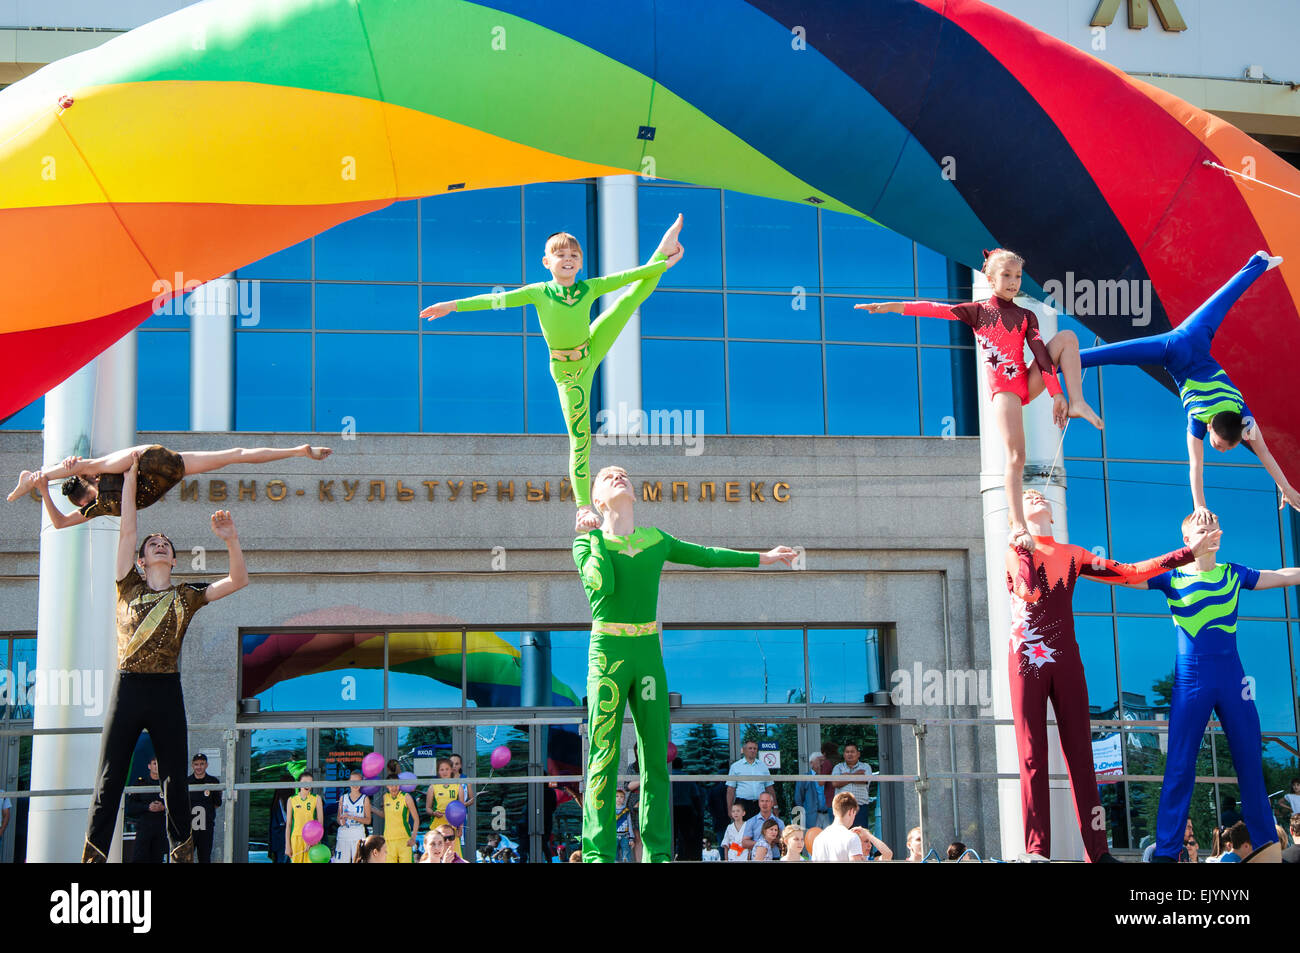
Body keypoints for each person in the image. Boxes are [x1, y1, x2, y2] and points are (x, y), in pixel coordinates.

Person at [572, 465, 796, 862]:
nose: (621, 476)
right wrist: (591, 534)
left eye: (625, 473)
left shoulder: (656, 539)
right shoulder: (586, 543)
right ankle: (597, 855)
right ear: (597, 498)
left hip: (647, 651)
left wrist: (762, 558)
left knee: (656, 758)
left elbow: (706, 555)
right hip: (607, 650)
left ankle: (658, 853)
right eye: (609, 476)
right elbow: (603, 585)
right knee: (603, 755)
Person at [422, 217, 686, 531]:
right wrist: (452, 305)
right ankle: (583, 508)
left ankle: (663, 245)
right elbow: (497, 299)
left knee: (629, 299)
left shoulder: (589, 287)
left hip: (591, 345)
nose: (569, 259)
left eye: (574, 255)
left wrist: (661, 262)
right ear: (547, 262)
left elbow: (627, 277)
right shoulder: (539, 292)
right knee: (580, 436)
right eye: (561, 255)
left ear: (580, 263)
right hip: (568, 372)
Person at [1007, 489, 1211, 862]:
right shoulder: (1015, 551)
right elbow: (1029, 591)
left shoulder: (1073, 555)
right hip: (1026, 661)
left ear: (1053, 515)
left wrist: (1188, 553)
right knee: (1032, 755)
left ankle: (1099, 853)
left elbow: (1130, 573)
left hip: (1067, 659)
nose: (1034, 494)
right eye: (1025, 495)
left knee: (1082, 756)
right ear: (1015, 514)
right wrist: (1022, 549)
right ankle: (1037, 852)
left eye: (1039, 494)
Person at [856, 248, 1102, 548]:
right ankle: (1018, 524)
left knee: (1067, 338)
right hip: (1005, 390)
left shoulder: (1027, 316)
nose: (1013, 282)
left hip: (1025, 380)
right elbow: (933, 309)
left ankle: (1076, 401)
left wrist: (1057, 394)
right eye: (1006, 275)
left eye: (1017, 276)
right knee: (1017, 456)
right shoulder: (979, 311)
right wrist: (891, 306)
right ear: (990, 278)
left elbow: (1040, 354)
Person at [82, 452, 249, 863]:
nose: (159, 545)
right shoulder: (127, 585)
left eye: (166, 544)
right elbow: (128, 529)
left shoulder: (186, 595)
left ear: (173, 559)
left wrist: (229, 538)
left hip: (165, 689)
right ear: (141, 560)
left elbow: (238, 580)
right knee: (110, 776)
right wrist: (131, 476)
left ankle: (181, 849)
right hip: (128, 687)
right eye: (152, 544)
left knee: (175, 776)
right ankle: (94, 852)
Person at [1123, 511, 1298, 862]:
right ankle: (1167, 851)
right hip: (1191, 680)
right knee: (1179, 764)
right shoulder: (1171, 577)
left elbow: (1280, 575)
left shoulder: (1233, 573)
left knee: (1249, 757)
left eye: (1214, 528)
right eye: (1202, 529)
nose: (1211, 532)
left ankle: (1265, 840)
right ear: (1186, 540)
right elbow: (1128, 576)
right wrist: (1080, 565)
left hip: (1232, 676)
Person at [1078, 252, 1296, 520]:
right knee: (1113, 355)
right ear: (1210, 428)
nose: (1223, 449)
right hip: (1173, 351)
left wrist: (1286, 486)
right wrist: (1199, 505)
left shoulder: (1243, 414)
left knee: (1223, 299)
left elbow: (1263, 453)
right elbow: (1196, 466)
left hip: (1194, 338)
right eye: (1221, 444)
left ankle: (1258, 262)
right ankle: (1062, 361)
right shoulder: (1198, 420)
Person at [17, 442, 332, 525]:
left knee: (90, 463)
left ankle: (31, 479)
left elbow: (87, 469)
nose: (93, 491)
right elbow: (59, 523)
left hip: (146, 464)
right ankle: (298, 450)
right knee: (234, 456)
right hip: (168, 466)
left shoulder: (98, 483)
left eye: (90, 485)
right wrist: (44, 490)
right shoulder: (97, 506)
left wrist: (43, 483)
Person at [126, 757, 166, 863]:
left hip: (161, 828)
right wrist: (147, 807)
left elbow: (177, 805)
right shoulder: (140, 783)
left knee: (158, 859)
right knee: (139, 858)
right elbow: (130, 807)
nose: (157, 766)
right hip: (144, 828)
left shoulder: (167, 785)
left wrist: (163, 807)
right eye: (154, 763)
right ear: (149, 766)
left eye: (159, 763)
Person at [423, 757, 464, 859]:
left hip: (452, 827)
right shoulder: (433, 787)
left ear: (451, 770)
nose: (445, 772)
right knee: (436, 855)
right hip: (437, 826)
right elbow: (428, 808)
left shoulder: (458, 786)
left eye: (447, 769)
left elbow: (462, 810)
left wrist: (461, 827)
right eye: (442, 769)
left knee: (454, 855)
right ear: (438, 772)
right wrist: (433, 813)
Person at [187, 752, 222, 863]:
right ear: (192, 765)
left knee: (205, 857)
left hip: (206, 826)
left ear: (206, 765)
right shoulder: (186, 782)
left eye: (202, 764)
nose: (199, 767)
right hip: (189, 827)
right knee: (187, 857)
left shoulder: (213, 782)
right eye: (196, 764)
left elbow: (217, 803)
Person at [810, 792, 865, 863]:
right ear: (851, 812)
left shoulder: (818, 839)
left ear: (834, 811)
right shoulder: (852, 837)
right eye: (855, 814)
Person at [726, 739, 775, 819]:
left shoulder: (763, 766)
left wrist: (775, 806)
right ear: (744, 750)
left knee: (761, 829)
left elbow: (769, 788)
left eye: (755, 748)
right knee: (743, 830)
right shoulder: (735, 767)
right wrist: (729, 809)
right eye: (750, 748)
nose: (752, 750)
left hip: (760, 804)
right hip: (742, 804)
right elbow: (730, 790)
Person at [830, 743, 875, 829]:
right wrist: (855, 775)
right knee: (842, 835)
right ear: (844, 754)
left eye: (852, 752)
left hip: (860, 807)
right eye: (847, 752)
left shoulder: (865, 766)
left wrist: (845, 777)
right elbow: (835, 783)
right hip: (842, 808)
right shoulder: (838, 767)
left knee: (861, 836)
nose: (849, 754)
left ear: (858, 754)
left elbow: (864, 780)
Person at [286, 771, 323, 864]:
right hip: (296, 838)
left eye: (310, 783)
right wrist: (287, 845)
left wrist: (314, 841)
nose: (307, 785)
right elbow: (289, 825)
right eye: (304, 782)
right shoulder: (291, 800)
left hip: (312, 838)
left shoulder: (316, 798)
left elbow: (320, 823)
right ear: (299, 783)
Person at [334, 770, 371, 863]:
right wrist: (341, 821)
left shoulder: (365, 799)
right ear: (349, 782)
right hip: (344, 835)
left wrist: (353, 817)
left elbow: (368, 820)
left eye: (358, 781)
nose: (355, 784)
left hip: (357, 834)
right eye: (353, 781)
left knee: (359, 861)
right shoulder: (343, 798)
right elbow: (338, 818)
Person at [381, 775, 419, 864]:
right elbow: (386, 816)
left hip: (404, 840)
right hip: (389, 840)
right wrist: (371, 808)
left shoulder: (406, 797)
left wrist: (413, 838)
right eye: (391, 785)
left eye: (396, 785)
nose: (394, 788)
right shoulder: (385, 797)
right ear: (387, 785)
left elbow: (416, 819)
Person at [740, 791, 785, 855]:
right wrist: (763, 843)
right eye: (762, 801)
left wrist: (775, 840)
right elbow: (744, 843)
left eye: (767, 801)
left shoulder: (779, 822)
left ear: (772, 803)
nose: (764, 804)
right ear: (758, 803)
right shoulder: (751, 821)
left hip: (775, 857)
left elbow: (785, 842)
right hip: (757, 857)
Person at [794, 753, 829, 830]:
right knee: (811, 839)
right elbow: (798, 799)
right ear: (811, 763)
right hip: (811, 816)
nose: (822, 763)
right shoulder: (804, 778)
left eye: (824, 761)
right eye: (820, 761)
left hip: (828, 815)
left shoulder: (829, 777)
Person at [614, 789, 634, 863]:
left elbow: (630, 824)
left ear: (624, 799)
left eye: (621, 797)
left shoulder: (626, 811)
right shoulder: (611, 810)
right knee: (614, 855)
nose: (619, 798)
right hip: (613, 836)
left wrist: (631, 838)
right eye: (617, 796)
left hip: (625, 836)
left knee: (626, 855)